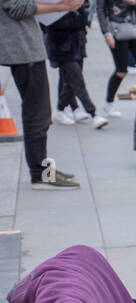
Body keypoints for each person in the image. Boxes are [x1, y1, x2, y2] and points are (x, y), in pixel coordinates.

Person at [2, 0, 82, 190]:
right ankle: (40, 174)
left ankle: (42, 169)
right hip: (22, 49)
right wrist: (62, 7)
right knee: (37, 113)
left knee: (39, 112)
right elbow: (17, 7)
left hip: (23, 47)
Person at [46, 3, 109, 129]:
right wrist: (70, 14)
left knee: (70, 81)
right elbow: (56, 23)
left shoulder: (75, 3)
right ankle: (93, 114)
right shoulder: (54, 4)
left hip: (77, 44)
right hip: (61, 46)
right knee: (77, 79)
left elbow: (83, 19)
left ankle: (60, 110)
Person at [97, 0, 136, 112]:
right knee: (121, 71)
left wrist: (134, 3)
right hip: (117, 30)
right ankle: (109, 102)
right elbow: (100, 10)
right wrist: (106, 33)